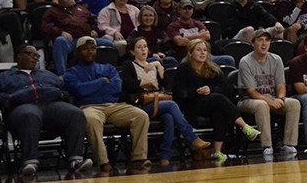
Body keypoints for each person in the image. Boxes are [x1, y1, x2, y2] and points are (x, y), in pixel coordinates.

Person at [0, 45, 93, 176]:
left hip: (51, 105)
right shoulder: (3, 77)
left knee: (75, 113)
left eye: (37, 56)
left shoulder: (47, 75)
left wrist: (63, 95)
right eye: (31, 54)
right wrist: (8, 98)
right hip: (21, 106)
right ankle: (30, 162)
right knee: (30, 114)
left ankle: (76, 160)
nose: (34, 58)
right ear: (19, 55)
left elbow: (67, 90)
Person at [62, 37, 152, 171]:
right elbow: (80, 91)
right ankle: (103, 162)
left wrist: (91, 87)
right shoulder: (71, 72)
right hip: (89, 107)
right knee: (91, 120)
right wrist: (101, 82)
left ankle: (138, 159)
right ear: (77, 52)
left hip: (113, 106)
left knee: (141, 115)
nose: (89, 52)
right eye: (85, 49)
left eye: (92, 49)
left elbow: (116, 88)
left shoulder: (108, 68)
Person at [119, 37, 212, 165]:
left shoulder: (154, 65)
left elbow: (167, 86)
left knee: (169, 117)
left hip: (158, 102)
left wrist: (159, 68)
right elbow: (126, 85)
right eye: (139, 47)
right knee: (171, 105)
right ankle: (192, 137)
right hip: (139, 105)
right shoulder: (128, 65)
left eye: (145, 46)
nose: (143, 49)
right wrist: (143, 83)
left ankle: (165, 156)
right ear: (132, 52)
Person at [171, 40, 260, 163]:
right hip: (191, 105)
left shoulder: (212, 67)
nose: (202, 53)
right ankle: (245, 126)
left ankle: (217, 152)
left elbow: (226, 88)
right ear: (190, 53)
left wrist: (210, 89)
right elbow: (178, 92)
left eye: (205, 50)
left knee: (219, 110)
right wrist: (196, 91)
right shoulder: (184, 68)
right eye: (198, 50)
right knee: (217, 98)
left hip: (212, 103)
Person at [237, 30, 300, 158]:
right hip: (248, 99)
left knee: (294, 103)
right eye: (260, 40)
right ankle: (267, 145)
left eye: (267, 40)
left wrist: (281, 98)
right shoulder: (245, 61)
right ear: (252, 43)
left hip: (272, 97)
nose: (264, 44)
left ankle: (289, 144)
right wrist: (270, 101)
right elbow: (251, 91)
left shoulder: (276, 59)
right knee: (262, 105)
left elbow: (281, 85)